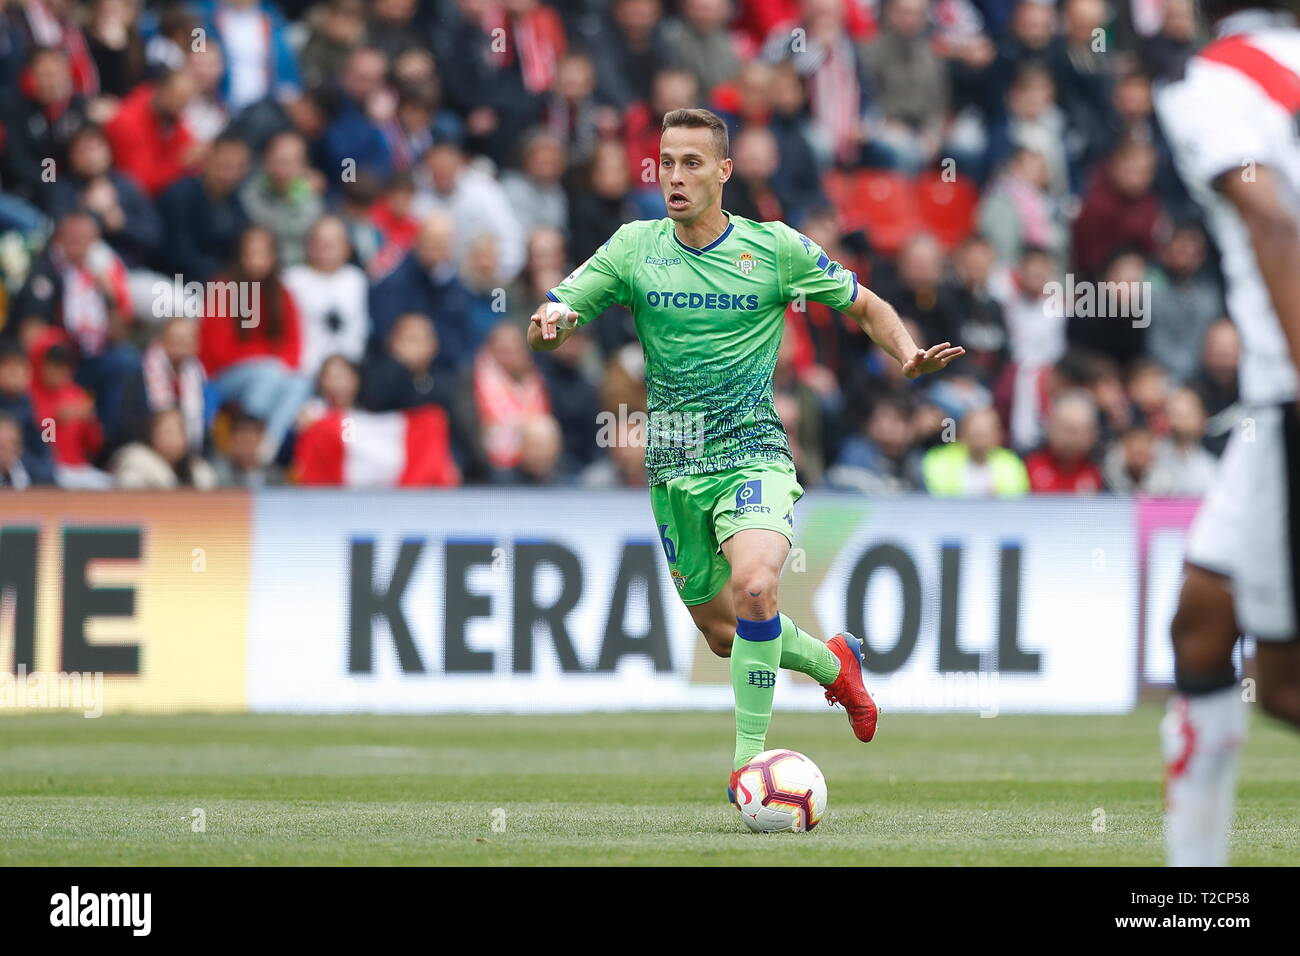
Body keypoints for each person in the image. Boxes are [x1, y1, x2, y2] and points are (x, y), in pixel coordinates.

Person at [528, 107, 962, 802]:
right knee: (727, 636)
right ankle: (833, 662)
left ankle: (747, 764)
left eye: (692, 163)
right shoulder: (634, 247)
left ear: (724, 172)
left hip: (752, 454)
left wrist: (907, 352)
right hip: (673, 468)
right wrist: (552, 323)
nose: (675, 176)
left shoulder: (776, 249)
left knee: (756, 586)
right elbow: (563, 309)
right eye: (666, 162)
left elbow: (867, 305)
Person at [1154, 0, 1300, 866]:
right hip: (1264, 408)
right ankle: (1194, 891)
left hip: (1289, 386)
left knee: (1282, 681)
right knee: (1201, 625)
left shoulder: (1210, 85)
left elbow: (1274, 219)